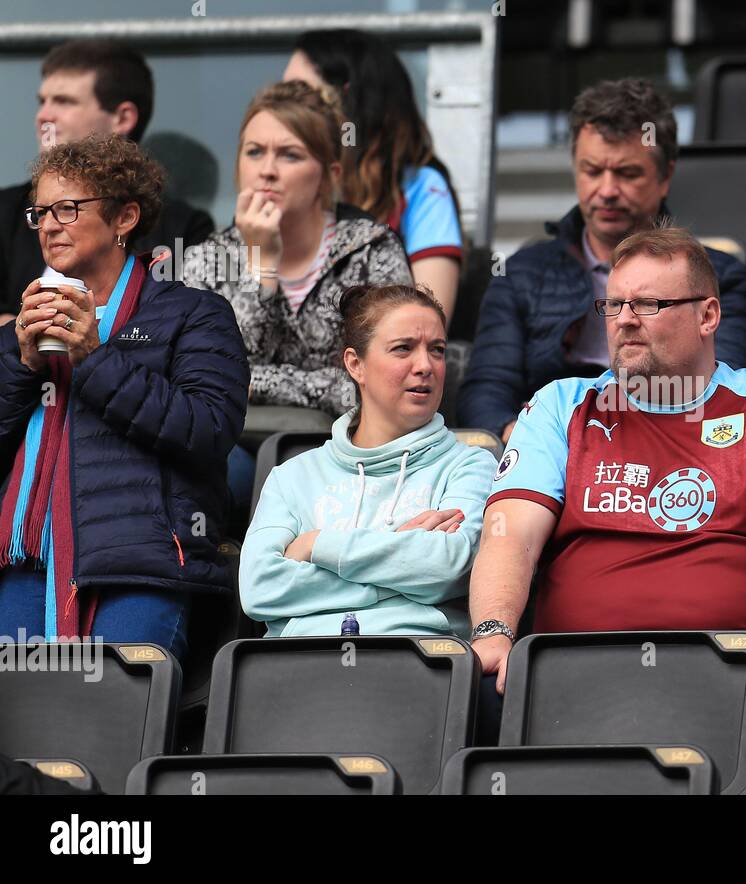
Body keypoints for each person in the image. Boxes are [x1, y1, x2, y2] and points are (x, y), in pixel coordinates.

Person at [468, 226, 746, 728]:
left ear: (707, 315)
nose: (623, 321)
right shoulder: (561, 404)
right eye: (613, 304)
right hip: (568, 673)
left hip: (731, 673)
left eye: (646, 305)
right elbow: (510, 535)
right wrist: (494, 632)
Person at [0, 135, 249, 660]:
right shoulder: (23, 329)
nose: (47, 225)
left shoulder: (194, 315)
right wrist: (21, 366)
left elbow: (206, 431)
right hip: (25, 561)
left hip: (142, 560)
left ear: (125, 217)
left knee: (110, 715)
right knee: (19, 724)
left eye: (67, 208)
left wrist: (94, 358)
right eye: (40, 212)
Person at [458, 78, 746, 442]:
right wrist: (531, 443)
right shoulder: (522, 273)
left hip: (677, 447)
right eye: (592, 171)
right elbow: (485, 393)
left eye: (627, 173)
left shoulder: (718, 276)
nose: (607, 190)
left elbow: (727, 387)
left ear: (666, 176)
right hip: (555, 452)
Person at [183, 81, 411, 521]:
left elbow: (385, 382)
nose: (267, 170)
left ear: (331, 176)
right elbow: (209, 384)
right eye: (254, 152)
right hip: (235, 452)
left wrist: (261, 384)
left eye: (289, 155)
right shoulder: (205, 258)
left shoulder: (370, 251)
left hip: (348, 451)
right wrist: (261, 267)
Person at [240, 284, 495, 637]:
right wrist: (402, 569)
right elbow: (260, 589)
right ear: (355, 364)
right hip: (296, 668)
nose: (425, 365)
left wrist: (316, 545)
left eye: (436, 350)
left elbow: (449, 569)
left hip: (418, 664)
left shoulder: (471, 465)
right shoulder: (291, 475)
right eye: (403, 348)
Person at [0, 39, 214, 323]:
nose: (43, 116)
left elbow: (178, 329)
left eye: (64, 101)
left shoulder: (183, 229)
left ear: (122, 118)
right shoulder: (6, 211)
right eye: (42, 101)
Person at [284, 29, 463, 323]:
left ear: (347, 98)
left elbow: (429, 320)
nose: (282, 108)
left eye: (299, 92)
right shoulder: (290, 184)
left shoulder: (420, 187)